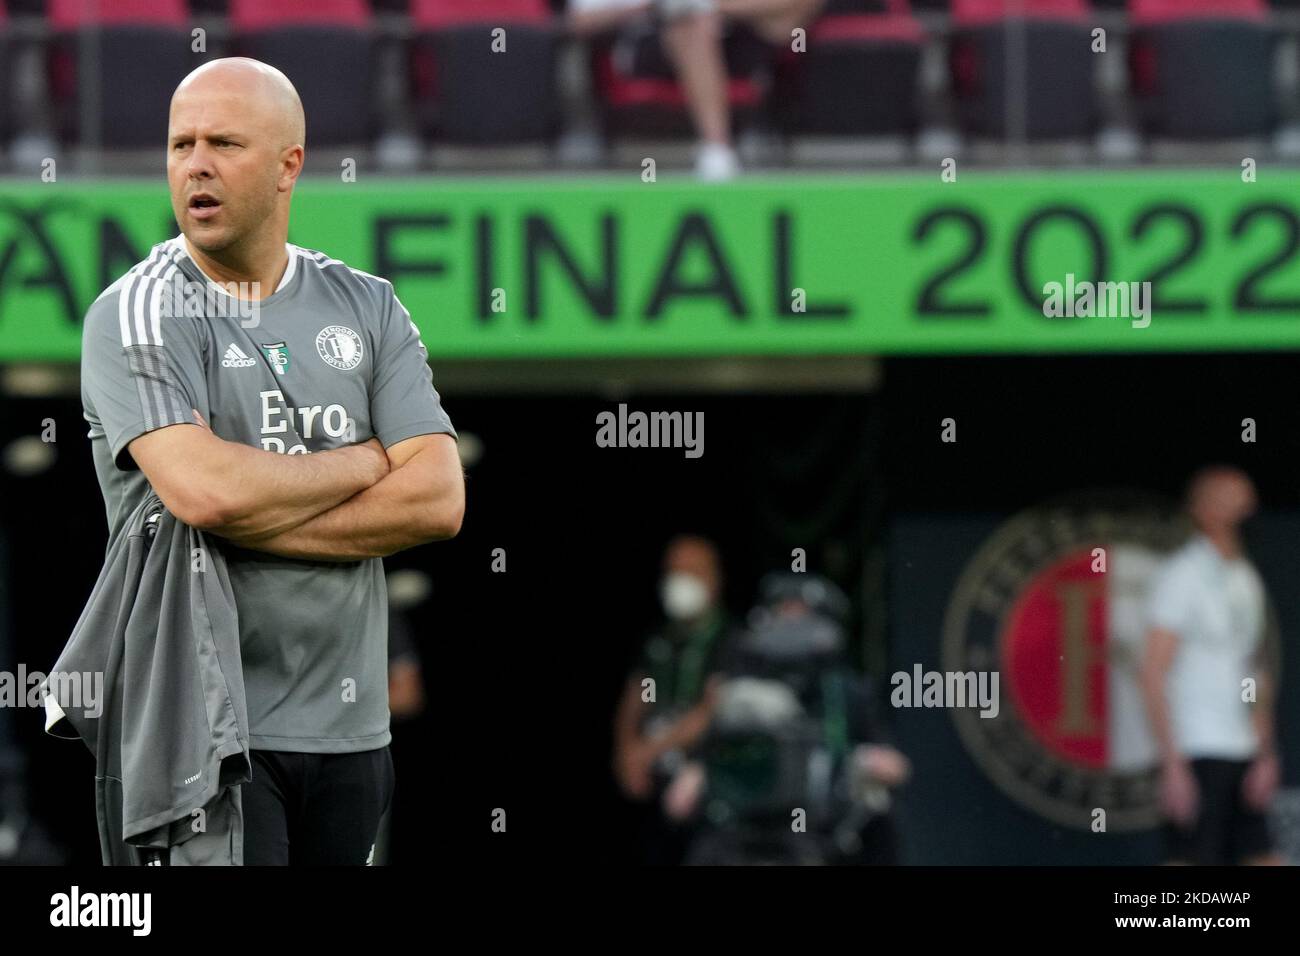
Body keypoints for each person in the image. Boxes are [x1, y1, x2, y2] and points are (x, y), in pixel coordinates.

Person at [77, 58, 464, 865]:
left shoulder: (368, 304)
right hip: (202, 732)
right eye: (181, 144)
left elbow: (436, 501)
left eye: (224, 142)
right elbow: (208, 493)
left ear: (290, 163)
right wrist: (366, 462)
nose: (197, 165)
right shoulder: (139, 308)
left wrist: (257, 508)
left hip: (351, 730)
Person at [1139, 466, 1281, 865]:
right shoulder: (1181, 575)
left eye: (1249, 501)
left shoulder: (1244, 577)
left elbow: (1253, 672)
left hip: (1242, 749)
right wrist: (1172, 765)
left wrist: (1264, 751)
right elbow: (1151, 672)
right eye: (1233, 501)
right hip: (1195, 748)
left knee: (1264, 857)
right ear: (1202, 510)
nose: (1247, 511)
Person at [568, 0, 826, 181]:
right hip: (649, 42)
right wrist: (655, 6)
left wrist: (710, 6)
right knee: (689, 21)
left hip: (731, 32)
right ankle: (717, 151)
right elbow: (580, 22)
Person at [613, 534, 736, 863]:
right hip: (652, 788)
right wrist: (626, 754)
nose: (679, 580)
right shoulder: (658, 641)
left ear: (714, 579)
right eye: (673, 570)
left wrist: (646, 752)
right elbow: (634, 698)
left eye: (691, 571)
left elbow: (712, 710)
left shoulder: (730, 641)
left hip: (706, 789)